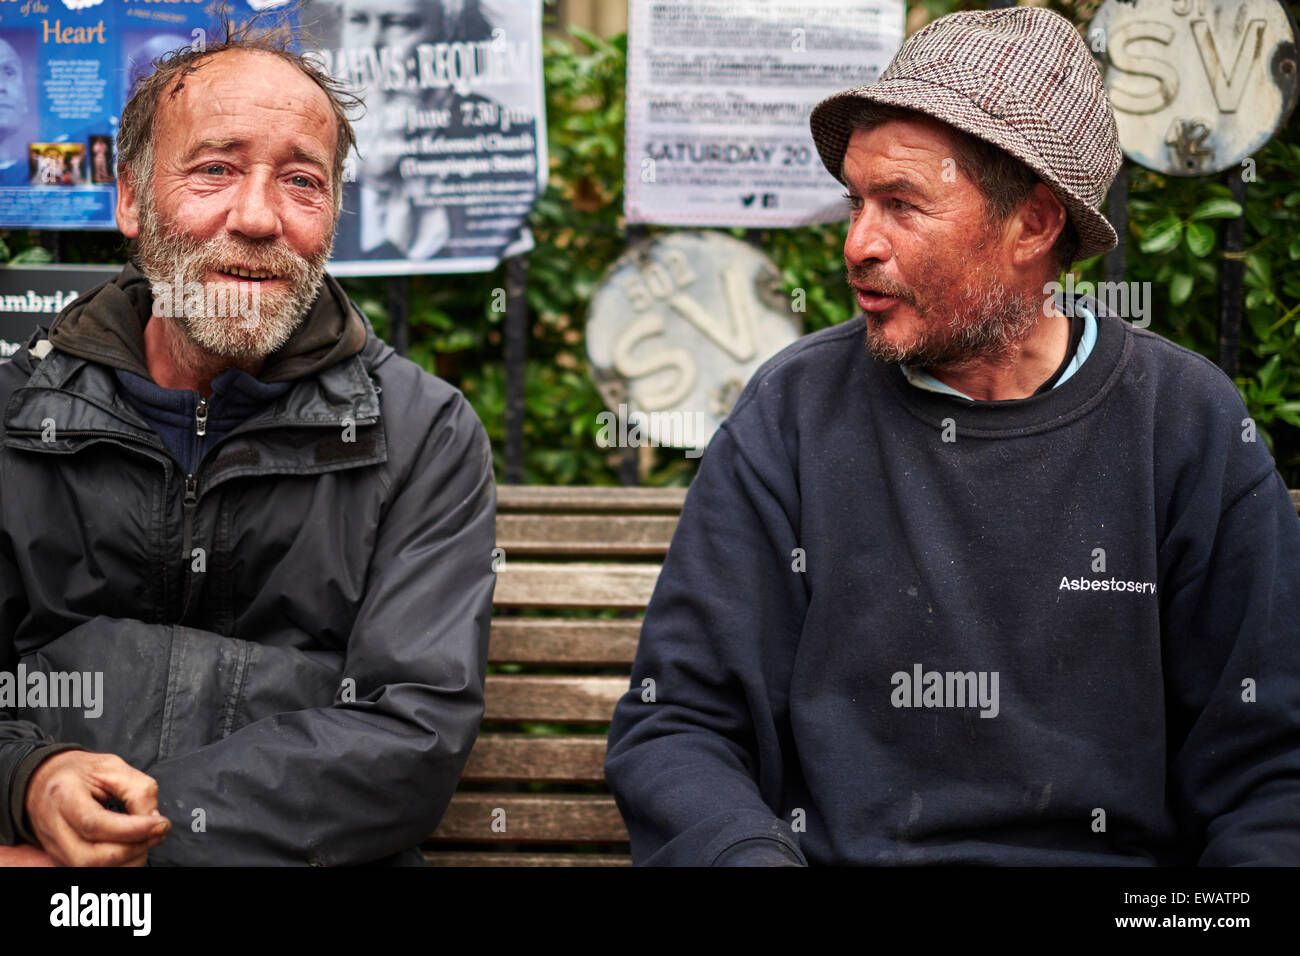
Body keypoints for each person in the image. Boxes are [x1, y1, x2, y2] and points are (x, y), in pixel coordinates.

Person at [604, 7, 1300, 866]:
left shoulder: (1184, 423)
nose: (858, 244)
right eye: (858, 202)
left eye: (903, 205)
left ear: (1035, 225)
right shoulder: (792, 413)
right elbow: (677, 722)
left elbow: (1272, 769)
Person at [0, 19, 496, 866]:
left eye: (302, 181)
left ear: (332, 215)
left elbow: (410, 731)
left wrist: (142, 842)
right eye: (215, 169)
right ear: (130, 198)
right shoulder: (15, 414)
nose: (258, 216)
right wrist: (29, 781)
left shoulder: (424, 434)